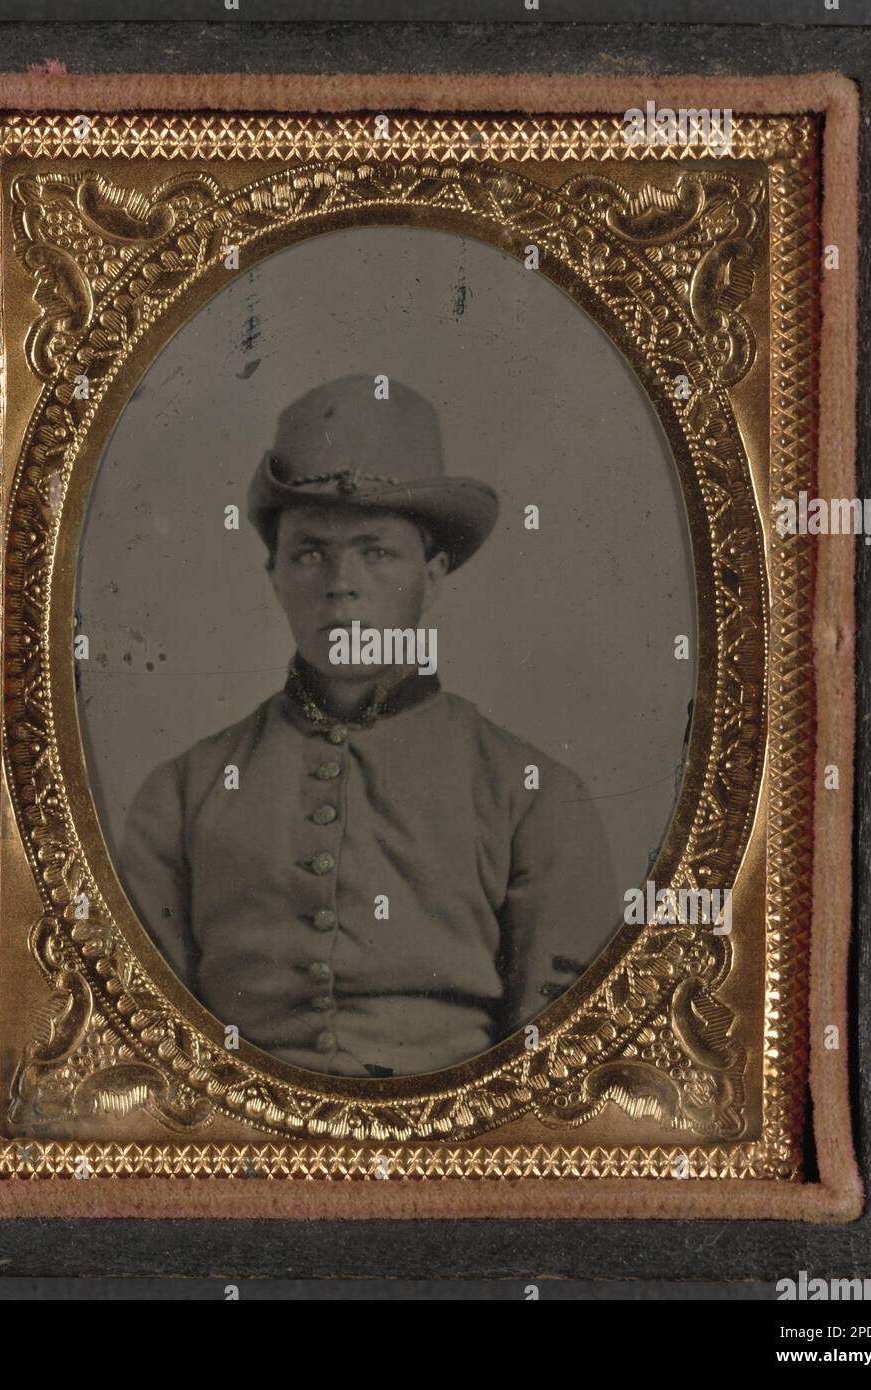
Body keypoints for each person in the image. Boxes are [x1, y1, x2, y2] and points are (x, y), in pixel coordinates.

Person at [118, 375, 617, 1077]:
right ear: (274, 576)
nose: (340, 582)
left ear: (432, 576)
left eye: (376, 552)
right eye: (309, 553)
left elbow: (562, 1071)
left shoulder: (531, 795)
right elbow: (146, 1053)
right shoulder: (180, 795)